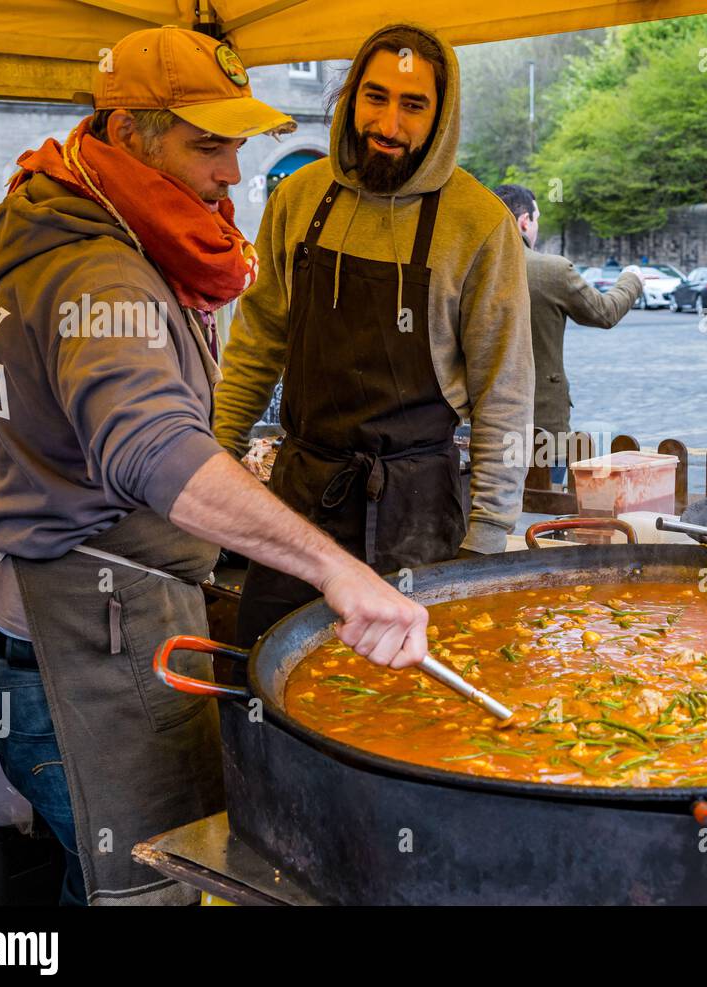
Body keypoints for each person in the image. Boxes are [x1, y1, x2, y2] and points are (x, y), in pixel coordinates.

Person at [0, 26, 429, 906]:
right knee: (146, 892)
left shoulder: (53, 214)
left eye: (238, 144)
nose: (232, 172)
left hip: (51, 623)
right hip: (86, 646)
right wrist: (339, 567)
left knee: (106, 882)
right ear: (130, 130)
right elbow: (153, 448)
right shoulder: (99, 273)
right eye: (205, 143)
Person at [214, 24, 534, 645]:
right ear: (350, 96)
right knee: (265, 671)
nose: (388, 123)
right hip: (299, 500)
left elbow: (506, 393)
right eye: (375, 96)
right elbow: (257, 342)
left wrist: (488, 538)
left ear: (441, 116)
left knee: (406, 703)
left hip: (416, 509)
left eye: (413, 105)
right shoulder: (298, 199)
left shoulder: (480, 224)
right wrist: (215, 457)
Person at [492, 184, 642, 474]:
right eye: (536, 219)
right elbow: (605, 312)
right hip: (542, 425)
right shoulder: (550, 271)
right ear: (524, 221)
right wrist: (631, 279)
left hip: (477, 426)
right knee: (544, 505)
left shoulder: (463, 266)